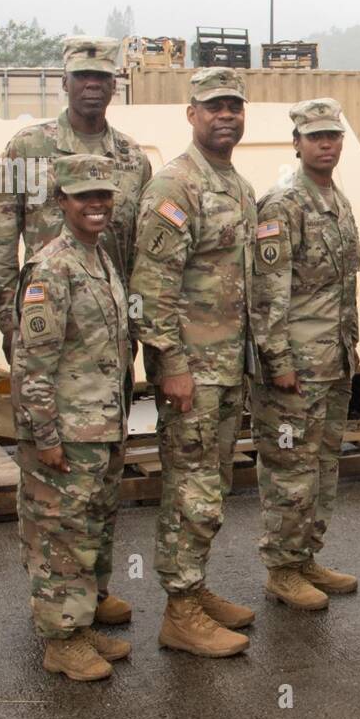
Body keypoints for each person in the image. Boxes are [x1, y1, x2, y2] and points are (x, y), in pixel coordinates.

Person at [0, 34, 149, 627]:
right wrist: (25, 345)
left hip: (108, 351)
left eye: (103, 75)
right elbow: (1, 261)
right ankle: (60, 614)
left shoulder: (133, 159)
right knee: (57, 494)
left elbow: (132, 260)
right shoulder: (29, 149)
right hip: (50, 347)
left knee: (100, 484)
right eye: (83, 75)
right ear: (66, 81)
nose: (93, 84)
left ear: (114, 82)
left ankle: (92, 594)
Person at [129, 68, 257, 657]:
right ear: (191, 113)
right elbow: (151, 289)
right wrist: (172, 366)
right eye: (213, 107)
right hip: (194, 372)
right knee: (192, 489)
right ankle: (179, 611)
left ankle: (195, 587)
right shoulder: (175, 187)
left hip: (228, 366)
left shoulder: (236, 185)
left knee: (214, 483)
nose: (225, 115)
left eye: (233, 105)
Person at [12, 155, 133, 680]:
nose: (96, 204)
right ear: (61, 201)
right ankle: (61, 640)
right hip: (67, 429)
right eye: (84, 196)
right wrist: (46, 437)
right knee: (61, 535)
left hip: (102, 425)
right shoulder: (52, 268)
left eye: (103, 195)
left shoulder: (100, 258)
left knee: (90, 531)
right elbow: (32, 364)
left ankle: (80, 627)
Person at [249, 99, 360, 610]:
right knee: (289, 468)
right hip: (296, 365)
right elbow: (268, 292)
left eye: (332, 136)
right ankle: (282, 568)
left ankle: (305, 555)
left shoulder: (336, 200)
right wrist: (278, 361)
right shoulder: (283, 204)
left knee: (321, 464)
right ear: (296, 143)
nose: (325, 145)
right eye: (315, 137)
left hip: (334, 359)